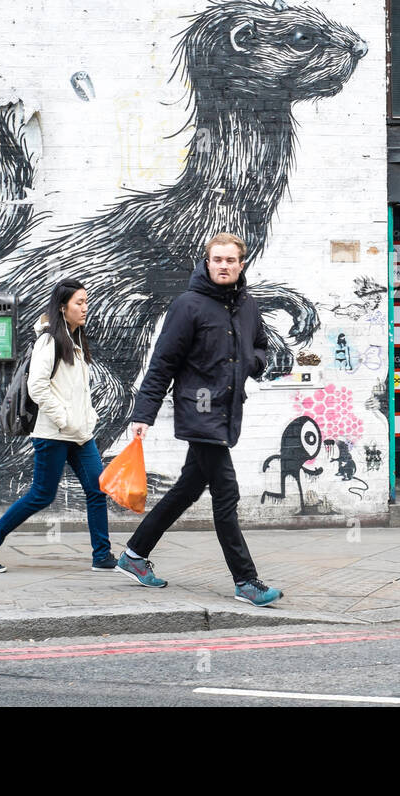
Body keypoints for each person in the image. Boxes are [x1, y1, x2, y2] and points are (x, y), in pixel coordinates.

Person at [114, 232, 284, 607]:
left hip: (227, 414)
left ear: (241, 265)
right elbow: (163, 363)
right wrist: (144, 412)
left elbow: (260, 347)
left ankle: (134, 554)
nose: (223, 265)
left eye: (230, 260)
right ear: (207, 263)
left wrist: (254, 363)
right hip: (200, 412)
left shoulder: (247, 306)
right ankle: (246, 581)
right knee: (227, 494)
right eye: (217, 259)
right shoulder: (188, 306)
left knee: (188, 488)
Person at [0, 279, 115, 572]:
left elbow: (75, 389)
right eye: (80, 303)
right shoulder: (49, 341)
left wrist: (86, 418)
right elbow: (37, 387)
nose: (85, 308)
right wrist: (63, 418)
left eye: (86, 302)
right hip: (54, 434)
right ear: (63, 308)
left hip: (80, 434)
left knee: (97, 489)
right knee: (42, 494)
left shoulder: (75, 341)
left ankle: (102, 555)